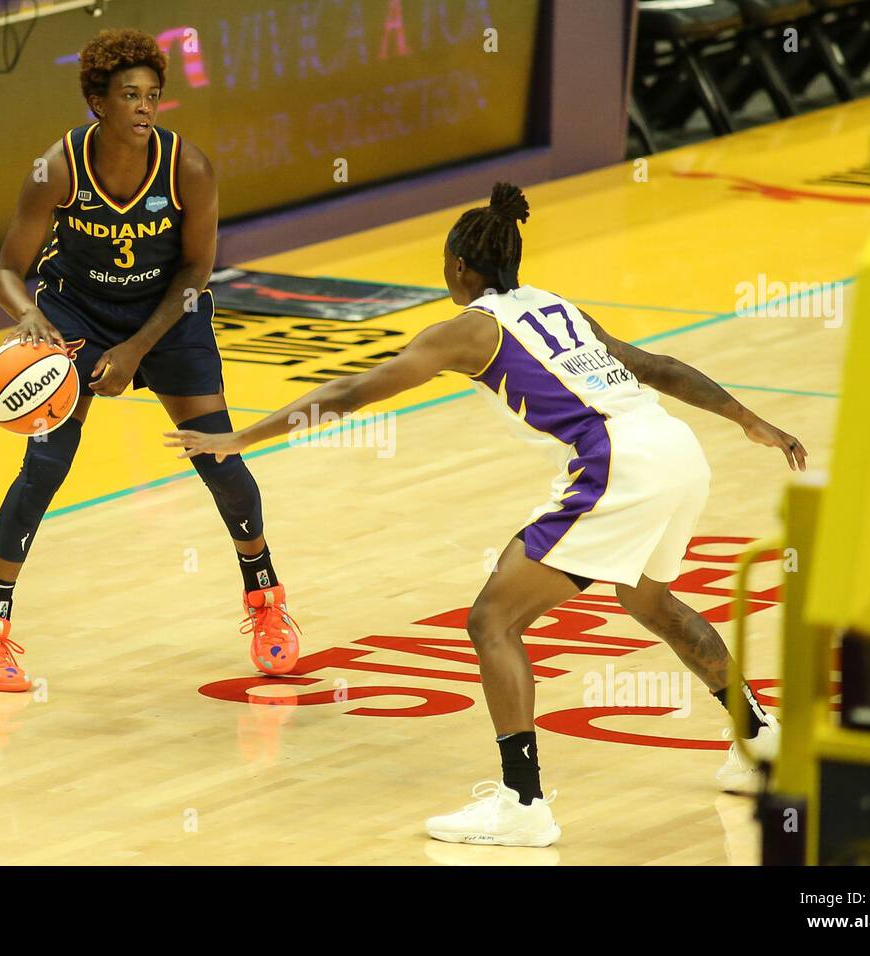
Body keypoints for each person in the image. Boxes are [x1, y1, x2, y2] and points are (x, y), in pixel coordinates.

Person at [166, 182, 807, 847]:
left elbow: (354, 390)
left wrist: (241, 438)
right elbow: (656, 364)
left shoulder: (470, 332)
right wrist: (746, 418)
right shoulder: (557, 307)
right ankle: (759, 737)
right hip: (676, 451)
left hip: (620, 465)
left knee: (491, 620)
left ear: (461, 269)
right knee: (652, 603)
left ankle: (523, 803)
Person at [0, 29, 301, 693]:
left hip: (167, 314)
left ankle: (267, 602)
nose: (144, 107)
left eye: (153, 95)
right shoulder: (56, 167)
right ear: (96, 101)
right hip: (75, 315)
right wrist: (31, 319)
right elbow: (5, 273)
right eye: (129, 95)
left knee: (219, 459)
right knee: (45, 466)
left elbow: (198, 269)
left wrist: (137, 349)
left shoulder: (187, 167)